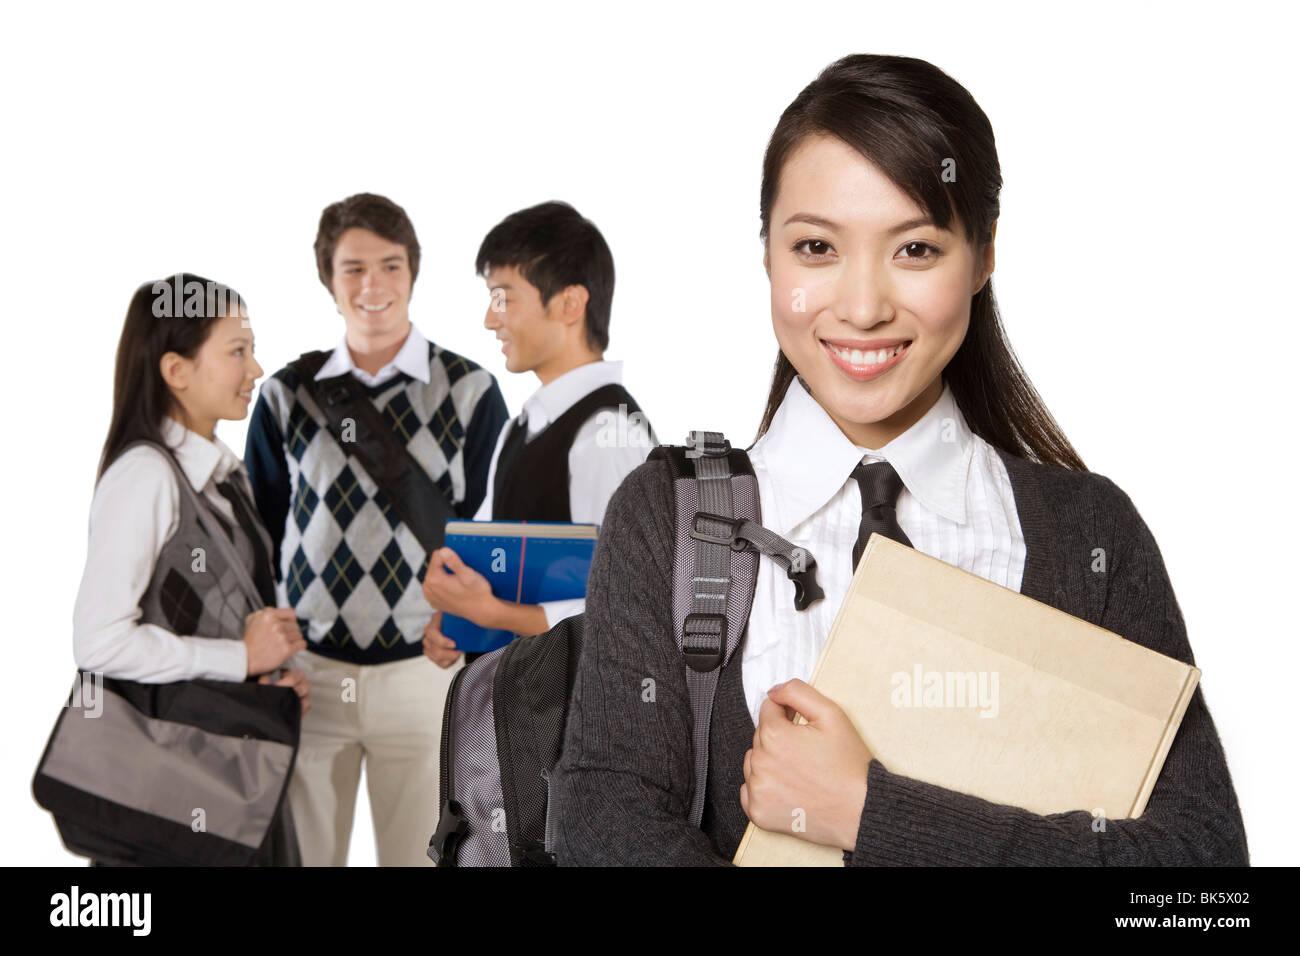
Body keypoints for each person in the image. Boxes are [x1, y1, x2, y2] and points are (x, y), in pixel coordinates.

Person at [550, 54, 1249, 865]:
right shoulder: (669, 519)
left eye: (915, 249)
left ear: (983, 256)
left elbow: (1202, 887)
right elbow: (603, 824)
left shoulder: (1090, 535)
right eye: (816, 247)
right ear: (768, 255)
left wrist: (866, 810)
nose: (862, 306)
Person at [244, 192, 510, 866]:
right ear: (329, 281)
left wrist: (470, 629)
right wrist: (260, 658)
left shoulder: (471, 390)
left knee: (417, 859)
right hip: (309, 678)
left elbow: (493, 534)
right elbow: (257, 540)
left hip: (424, 674)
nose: (373, 286)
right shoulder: (284, 395)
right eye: (353, 269)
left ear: (412, 274)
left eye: (390, 266)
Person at [73, 274, 309, 866]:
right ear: (176, 371)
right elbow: (97, 641)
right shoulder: (146, 476)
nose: (255, 370)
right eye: (237, 352)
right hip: (176, 794)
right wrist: (241, 661)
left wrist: (268, 685)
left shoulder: (224, 475)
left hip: (229, 776)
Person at [421, 201, 655, 667]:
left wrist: (491, 612)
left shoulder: (608, 435)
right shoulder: (520, 426)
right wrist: (452, 613)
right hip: (513, 712)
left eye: (504, 297)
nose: (491, 319)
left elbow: (624, 606)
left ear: (570, 304)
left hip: (573, 721)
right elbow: (482, 553)